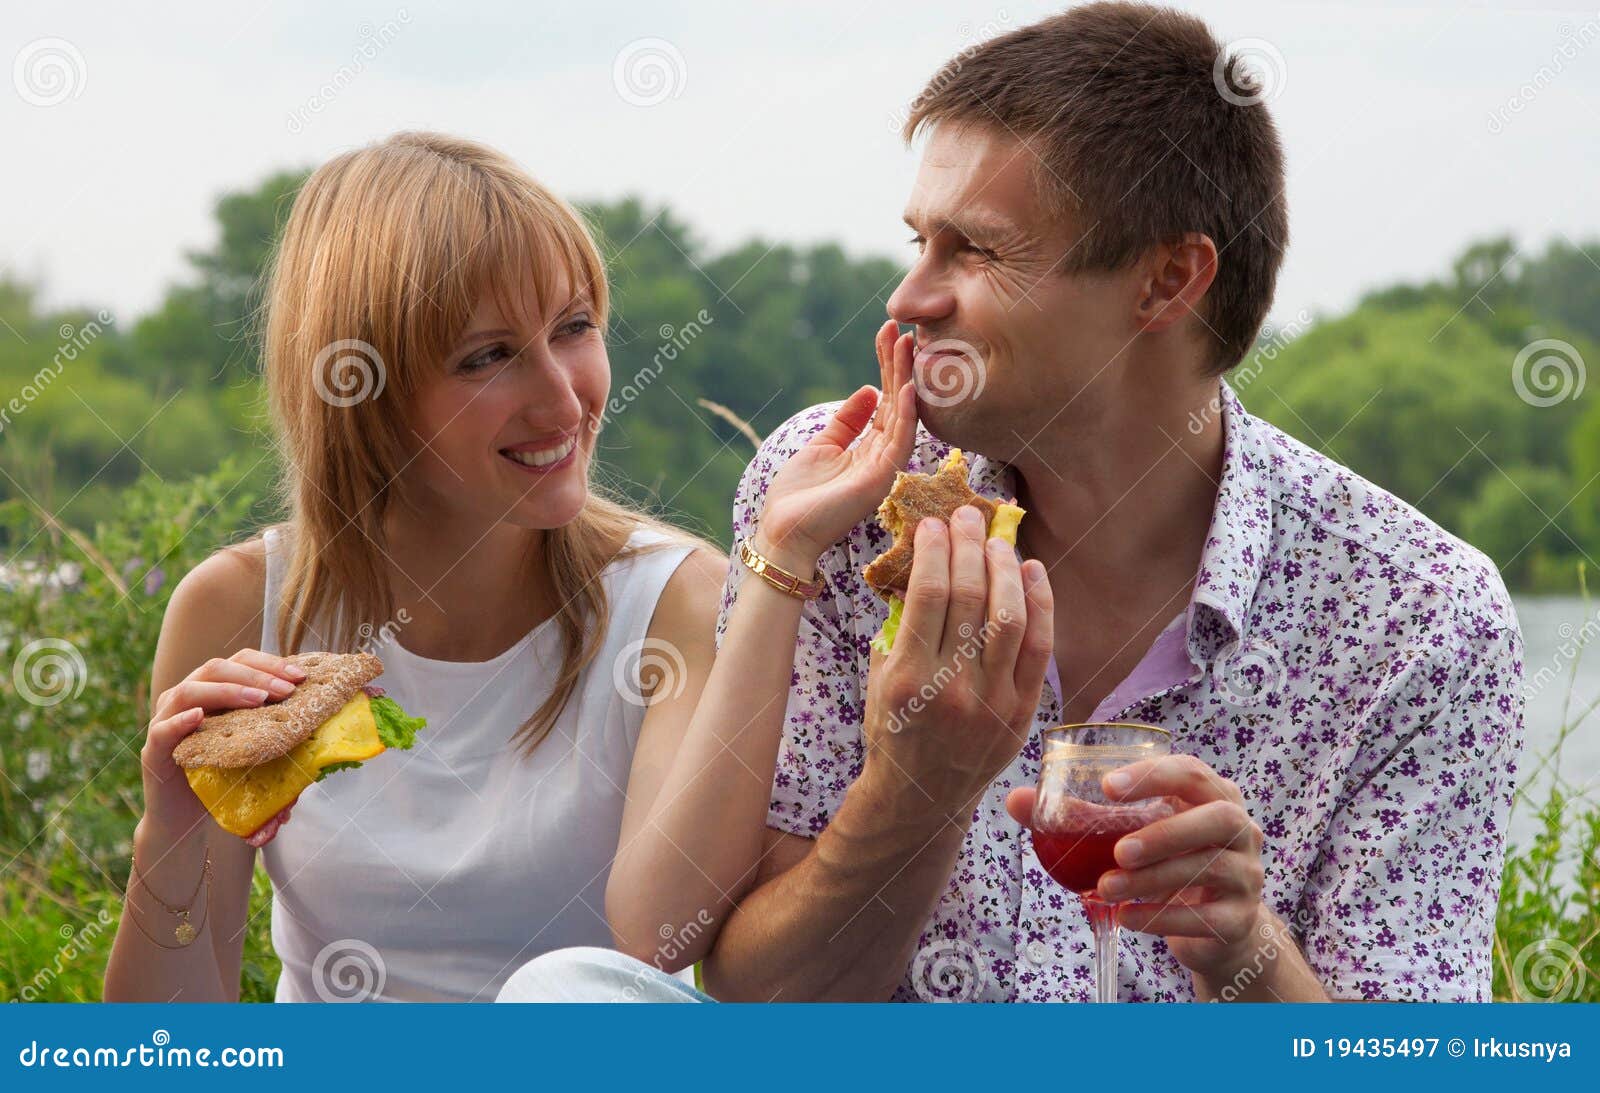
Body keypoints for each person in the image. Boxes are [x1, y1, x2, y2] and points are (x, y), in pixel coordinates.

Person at [500, 2, 1524, 1003]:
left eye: (977, 251)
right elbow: (752, 992)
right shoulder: (847, 501)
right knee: (569, 996)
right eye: (919, 242)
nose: (909, 298)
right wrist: (916, 791)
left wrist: (1245, 954)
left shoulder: (1421, 617)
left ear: (1167, 281)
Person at [103, 131, 955, 1002]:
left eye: (573, 328)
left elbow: (660, 934)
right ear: (365, 394)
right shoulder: (239, 608)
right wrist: (171, 831)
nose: (561, 396)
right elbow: (166, 1047)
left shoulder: (675, 603)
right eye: (488, 356)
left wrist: (780, 557)